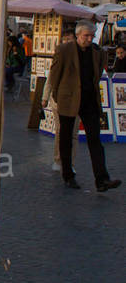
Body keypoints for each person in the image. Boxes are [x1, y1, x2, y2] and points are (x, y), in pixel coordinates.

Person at [48, 21, 120, 192]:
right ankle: (68, 175)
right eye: (86, 36)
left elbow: (97, 75)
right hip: (68, 100)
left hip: (89, 101)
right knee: (66, 139)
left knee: (95, 140)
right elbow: (55, 75)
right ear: (78, 35)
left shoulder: (97, 52)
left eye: (91, 35)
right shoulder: (64, 50)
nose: (89, 39)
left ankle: (102, 179)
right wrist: (58, 96)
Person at [42, 28, 76, 172]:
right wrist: (45, 97)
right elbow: (51, 78)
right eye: (65, 40)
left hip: (75, 100)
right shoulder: (60, 55)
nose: (67, 42)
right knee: (61, 130)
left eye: (70, 39)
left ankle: (70, 164)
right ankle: (58, 158)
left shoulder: (79, 57)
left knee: (73, 133)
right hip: (59, 101)